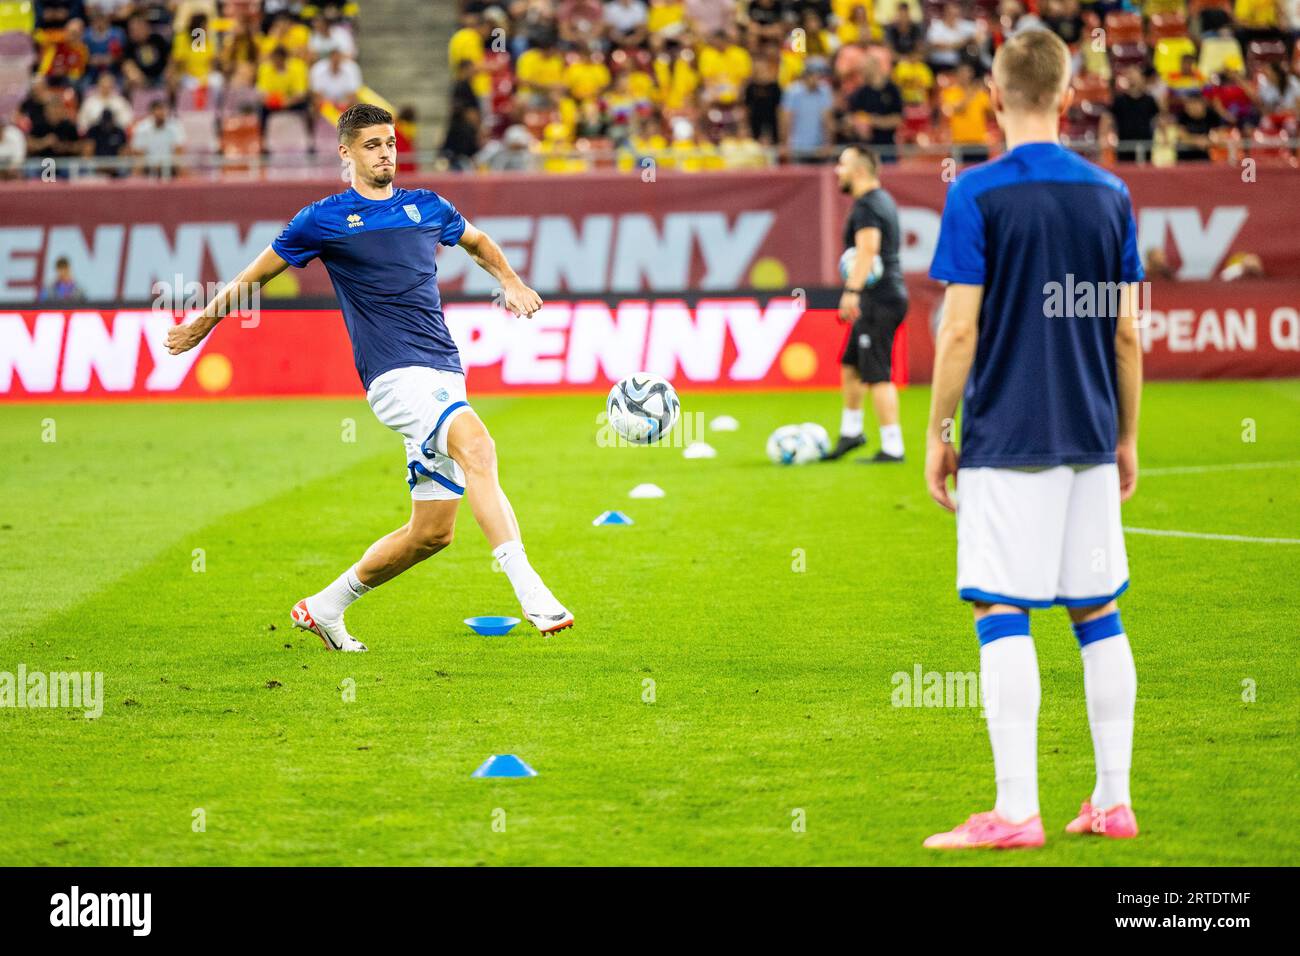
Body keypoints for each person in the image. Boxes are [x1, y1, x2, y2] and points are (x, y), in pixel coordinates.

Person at [163, 104, 573, 650]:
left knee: (431, 535)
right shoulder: (323, 219)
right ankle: (530, 591)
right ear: (347, 153)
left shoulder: (427, 207)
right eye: (373, 145)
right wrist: (202, 325)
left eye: (391, 143)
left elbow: (476, 242)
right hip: (393, 376)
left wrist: (512, 281)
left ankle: (325, 607)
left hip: (445, 372)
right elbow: (253, 276)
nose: (386, 154)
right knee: (479, 446)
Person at [924, 30, 1143, 849]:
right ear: (1068, 91)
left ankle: (1017, 811)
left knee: (1000, 605)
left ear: (993, 91)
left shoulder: (976, 193)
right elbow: (1126, 334)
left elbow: (958, 334)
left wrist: (938, 433)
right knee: (1097, 610)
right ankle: (1112, 801)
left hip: (1006, 436)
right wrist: (1124, 437)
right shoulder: (1110, 194)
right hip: (1088, 435)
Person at [824, 145, 908, 463]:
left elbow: (868, 250)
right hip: (885, 296)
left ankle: (892, 446)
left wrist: (852, 291)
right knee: (852, 364)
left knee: (877, 372)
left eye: (842, 164)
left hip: (879, 298)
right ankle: (851, 432)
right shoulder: (882, 200)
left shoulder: (867, 207)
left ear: (859, 171)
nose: (837, 171)